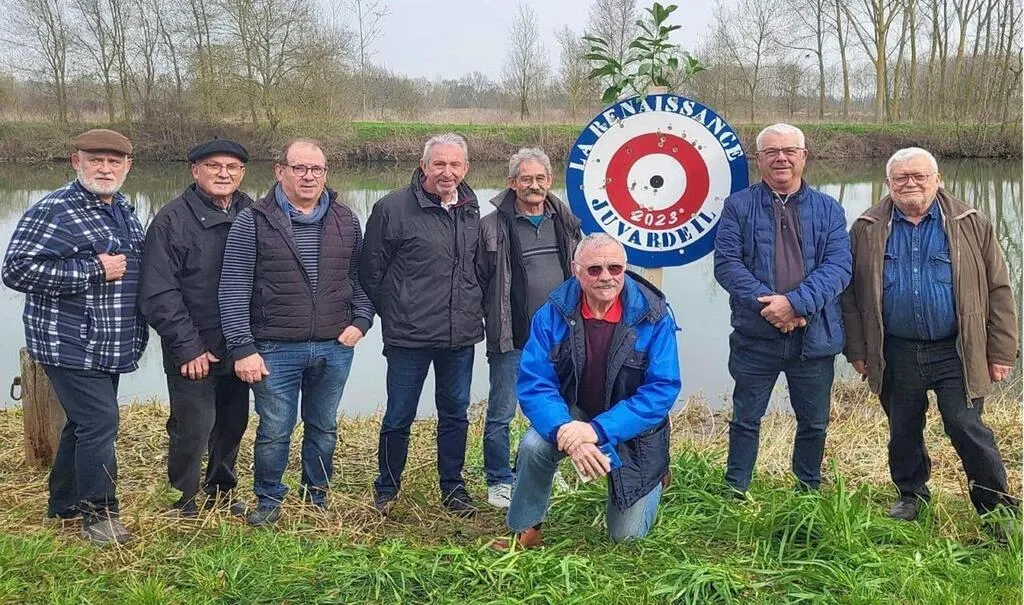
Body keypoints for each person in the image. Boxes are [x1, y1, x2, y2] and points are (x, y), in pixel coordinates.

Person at [842, 147, 1019, 533]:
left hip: (958, 348)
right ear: (888, 183)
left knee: (965, 425)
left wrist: (1002, 349)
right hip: (896, 350)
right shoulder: (867, 227)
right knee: (903, 427)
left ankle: (996, 507)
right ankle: (910, 494)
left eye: (920, 176)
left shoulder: (971, 222)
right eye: (901, 177)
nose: (911, 183)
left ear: (937, 180)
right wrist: (858, 350)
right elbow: (850, 296)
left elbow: (1000, 289)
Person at [2, 129, 146, 545]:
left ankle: (63, 503)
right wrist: (92, 270)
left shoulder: (121, 207)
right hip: (69, 342)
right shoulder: (55, 209)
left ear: (127, 166)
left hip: (109, 343)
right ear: (75, 160)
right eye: (96, 160)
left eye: (114, 162)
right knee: (100, 424)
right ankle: (99, 517)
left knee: (83, 424)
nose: (105, 168)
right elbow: (17, 269)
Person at [218, 139, 374, 526]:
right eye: (299, 168)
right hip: (273, 347)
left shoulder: (346, 219)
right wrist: (242, 347)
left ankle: (315, 498)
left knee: (324, 427)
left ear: (325, 173)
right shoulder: (252, 220)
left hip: (334, 346)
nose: (308, 177)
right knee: (274, 430)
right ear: (279, 170)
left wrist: (361, 321)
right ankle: (269, 501)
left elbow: (359, 278)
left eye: (316, 169)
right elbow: (233, 287)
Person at [497, 233, 680, 547]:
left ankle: (656, 476)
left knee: (626, 539)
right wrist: (568, 430)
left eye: (614, 268)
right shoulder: (551, 313)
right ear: (576, 269)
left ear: (624, 268)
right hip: (572, 413)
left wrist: (596, 431)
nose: (606, 277)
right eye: (594, 269)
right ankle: (526, 526)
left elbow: (661, 390)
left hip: (631, 426)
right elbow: (536, 384)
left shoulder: (655, 316)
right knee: (533, 446)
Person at [713, 123, 851, 495]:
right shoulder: (738, 207)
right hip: (755, 336)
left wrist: (794, 304)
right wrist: (770, 307)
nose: (782, 159)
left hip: (814, 337)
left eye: (790, 151)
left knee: (814, 423)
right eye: (772, 152)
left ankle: (806, 491)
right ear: (759, 160)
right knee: (745, 419)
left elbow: (839, 268)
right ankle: (735, 489)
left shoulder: (829, 209)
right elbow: (727, 265)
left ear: (804, 157)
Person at [360, 133, 484, 516]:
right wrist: (399, 312)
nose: (447, 172)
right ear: (424, 166)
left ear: (465, 168)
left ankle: (453, 487)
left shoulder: (472, 207)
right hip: (408, 337)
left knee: (455, 413)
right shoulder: (391, 208)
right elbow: (370, 273)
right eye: (439, 164)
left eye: (455, 165)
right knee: (399, 415)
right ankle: (387, 488)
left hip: (459, 335)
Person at [139, 139, 253, 518]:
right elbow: (158, 291)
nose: (224, 174)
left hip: (237, 343)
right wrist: (187, 347)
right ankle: (183, 498)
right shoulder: (171, 221)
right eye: (214, 166)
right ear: (195, 171)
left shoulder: (252, 212)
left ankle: (221, 489)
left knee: (232, 422)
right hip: (192, 346)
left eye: (232, 168)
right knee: (194, 425)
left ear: (242, 173)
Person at [476, 147, 582, 509]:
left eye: (540, 178)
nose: (533, 186)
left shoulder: (566, 220)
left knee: (554, 409)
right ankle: (499, 479)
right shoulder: (490, 225)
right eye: (526, 179)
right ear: (512, 183)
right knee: (502, 413)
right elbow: (475, 280)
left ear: (549, 181)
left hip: (561, 340)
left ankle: (540, 471)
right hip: (512, 337)